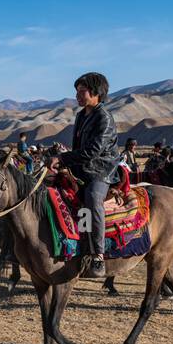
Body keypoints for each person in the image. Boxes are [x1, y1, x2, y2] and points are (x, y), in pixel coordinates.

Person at [56, 72, 119, 279]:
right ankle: (79, 242)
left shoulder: (104, 118)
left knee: (92, 200)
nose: (78, 96)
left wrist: (64, 159)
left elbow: (93, 151)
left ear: (96, 93)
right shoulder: (81, 115)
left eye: (82, 91)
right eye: (77, 92)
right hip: (82, 168)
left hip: (100, 171)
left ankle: (98, 254)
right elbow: (78, 147)